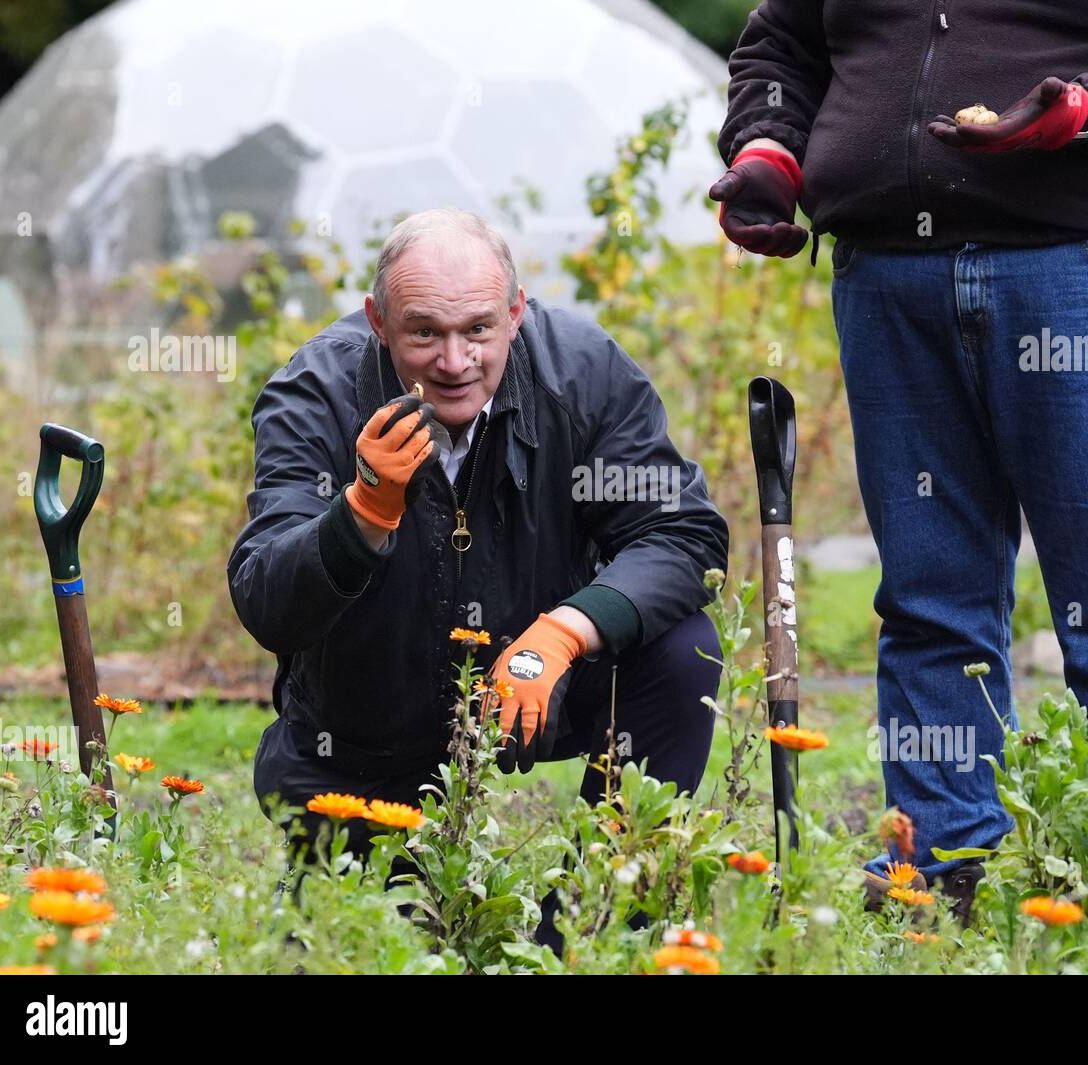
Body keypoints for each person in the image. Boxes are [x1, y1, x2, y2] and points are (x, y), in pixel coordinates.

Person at [711, 0, 1088, 918]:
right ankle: (934, 882)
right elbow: (781, 43)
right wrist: (770, 150)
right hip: (891, 277)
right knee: (929, 601)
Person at [227, 208, 728, 917]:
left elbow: (682, 533)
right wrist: (360, 516)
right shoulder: (316, 395)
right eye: (425, 332)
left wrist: (567, 631)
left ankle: (598, 916)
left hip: (532, 687)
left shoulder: (584, 376)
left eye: (479, 330)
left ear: (515, 312)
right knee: (369, 947)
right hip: (362, 739)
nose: (455, 362)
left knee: (684, 648)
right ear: (378, 320)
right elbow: (265, 600)